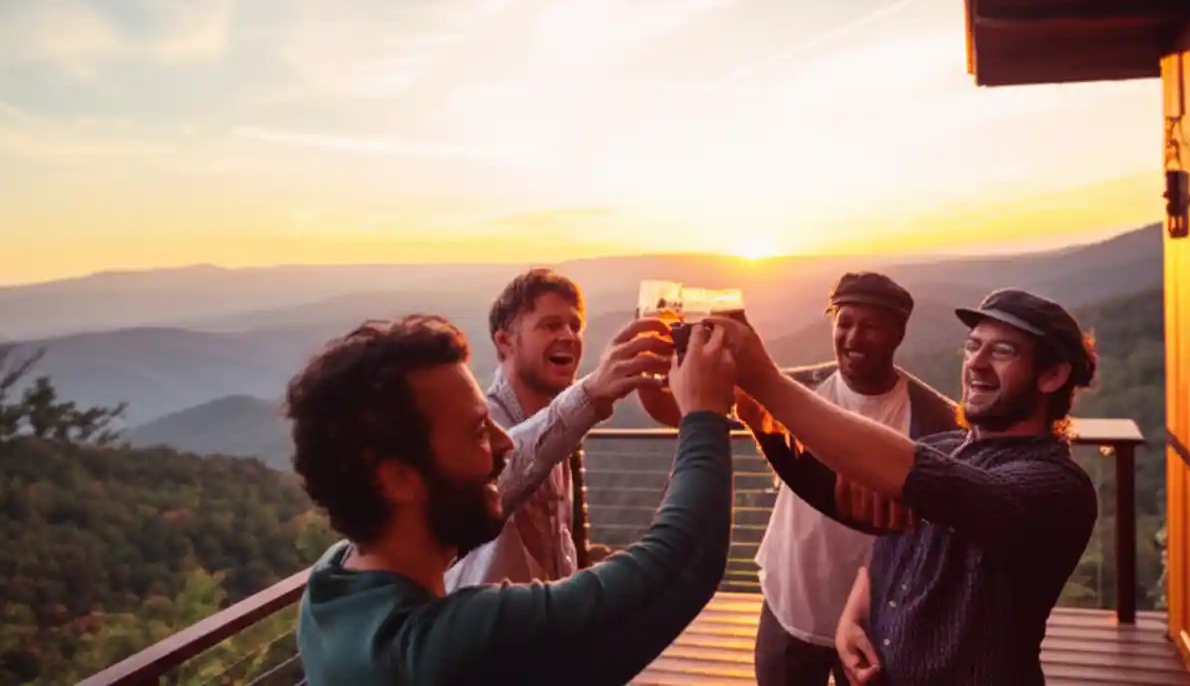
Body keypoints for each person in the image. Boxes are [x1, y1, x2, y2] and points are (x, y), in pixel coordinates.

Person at [289, 314, 739, 684]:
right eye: (477, 431)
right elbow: (679, 563)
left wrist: (591, 393)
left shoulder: (333, 585)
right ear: (397, 478)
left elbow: (460, 497)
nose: (506, 444)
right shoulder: (448, 650)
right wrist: (703, 414)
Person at [706, 288, 1099, 685]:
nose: (976, 364)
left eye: (1002, 352)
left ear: (1052, 375)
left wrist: (764, 382)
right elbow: (888, 550)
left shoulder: (1057, 489)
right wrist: (853, 616)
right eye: (972, 347)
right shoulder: (939, 447)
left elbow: (947, 487)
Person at [639, 272, 955, 686]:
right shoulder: (797, 391)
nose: (854, 337)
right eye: (844, 322)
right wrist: (650, 371)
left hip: (875, 622)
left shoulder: (935, 419)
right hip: (790, 604)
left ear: (898, 333)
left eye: (871, 326)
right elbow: (677, 412)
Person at [447, 268, 670, 590]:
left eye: (575, 325)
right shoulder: (481, 426)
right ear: (504, 340)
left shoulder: (557, 427)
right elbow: (500, 480)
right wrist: (589, 397)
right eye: (550, 325)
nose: (568, 335)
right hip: (490, 635)